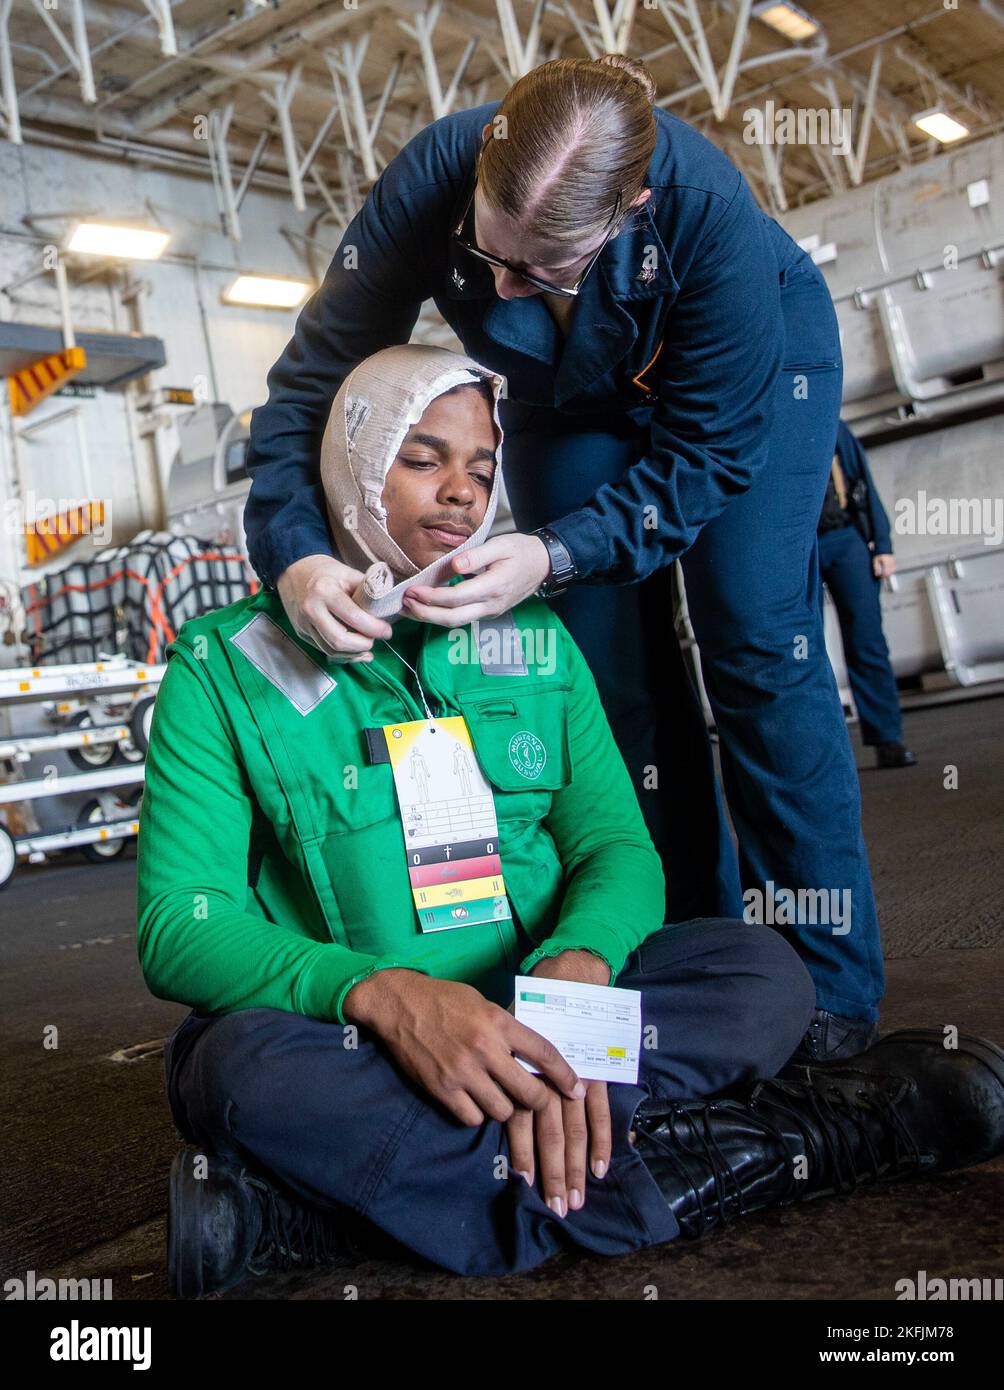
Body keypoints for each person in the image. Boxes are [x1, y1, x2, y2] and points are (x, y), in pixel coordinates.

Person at [136, 344, 1004, 1298]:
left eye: (479, 468)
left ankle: (316, 1217)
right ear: (352, 460)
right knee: (238, 1072)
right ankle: (798, 1142)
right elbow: (184, 920)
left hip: (548, 1008)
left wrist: (577, 974)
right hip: (367, 1041)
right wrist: (381, 995)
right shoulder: (223, 665)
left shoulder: (533, 634)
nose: (462, 495)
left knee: (757, 972)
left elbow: (613, 847)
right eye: (424, 459)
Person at [241, 53, 885, 1064]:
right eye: (485, 255)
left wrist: (549, 550)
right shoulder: (428, 186)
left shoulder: (706, 212)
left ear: (630, 206)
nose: (496, 287)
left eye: (535, 271)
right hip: (560, 393)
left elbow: (704, 456)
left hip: (746, 368)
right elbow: (306, 387)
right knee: (602, 669)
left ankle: (829, 986)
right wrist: (295, 557)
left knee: (754, 636)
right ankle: (670, 937)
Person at [820, 421, 917, 770]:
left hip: (846, 538)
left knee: (867, 640)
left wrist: (883, 544)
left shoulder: (831, 422)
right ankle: (821, 755)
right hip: (798, 548)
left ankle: (887, 739)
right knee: (804, 652)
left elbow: (863, 480)